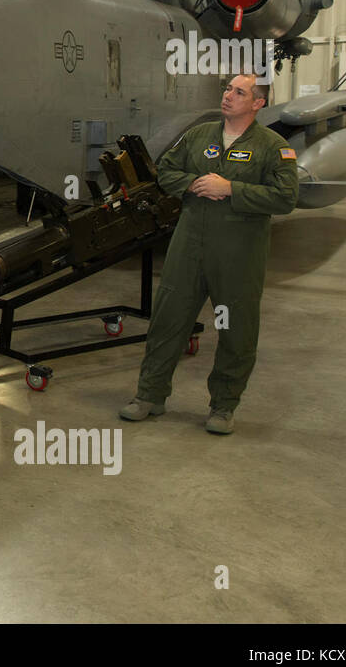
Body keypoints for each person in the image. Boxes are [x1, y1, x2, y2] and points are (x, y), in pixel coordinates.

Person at [121, 72, 299, 434]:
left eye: (239, 91)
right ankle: (149, 395)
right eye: (228, 89)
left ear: (258, 103)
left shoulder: (274, 147)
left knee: (236, 330)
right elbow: (165, 171)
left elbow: (285, 198)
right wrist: (193, 184)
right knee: (168, 320)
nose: (228, 95)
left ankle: (223, 406)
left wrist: (231, 188)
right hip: (189, 246)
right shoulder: (199, 136)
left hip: (239, 255)